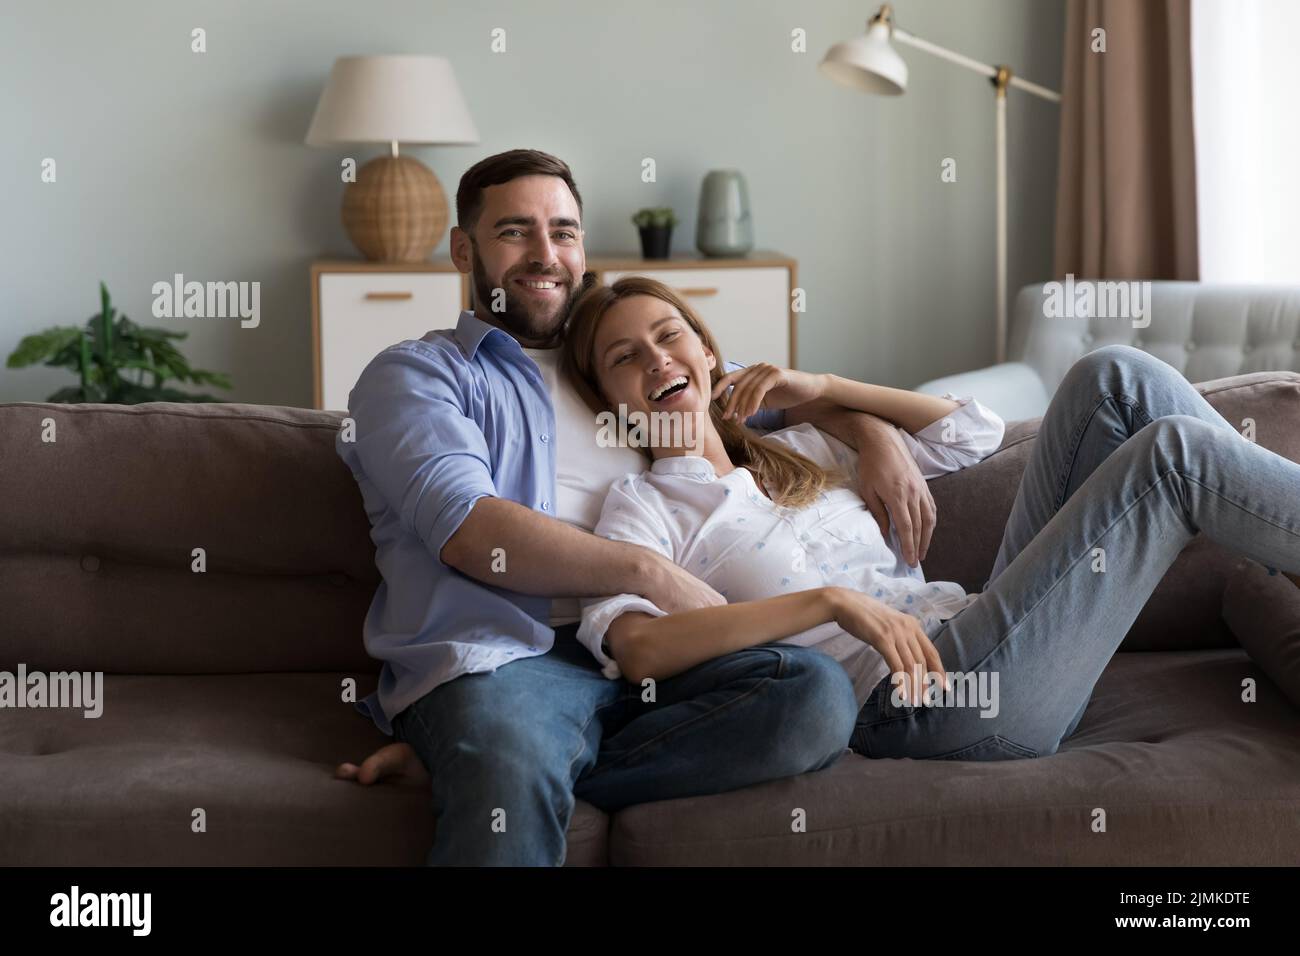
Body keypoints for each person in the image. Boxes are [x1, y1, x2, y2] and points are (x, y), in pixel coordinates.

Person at [332, 149, 945, 866]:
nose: (545, 254)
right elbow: (470, 529)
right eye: (515, 233)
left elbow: (769, 404)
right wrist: (651, 573)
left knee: (812, 693)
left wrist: (876, 438)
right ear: (464, 250)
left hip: (659, 652)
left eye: (563, 231)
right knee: (511, 755)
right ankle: (501, 761)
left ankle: (494, 764)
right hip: (510, 659)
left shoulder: (619, 354)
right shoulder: (418, 375)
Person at [554, 275, 1300, 766]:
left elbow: (973, 434)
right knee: (1175, 455)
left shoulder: (802, 446)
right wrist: (826, 604)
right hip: (922, 704)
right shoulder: (641, 509)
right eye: (625, 357)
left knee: (1112, 375)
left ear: (709, 353)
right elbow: (641, 649)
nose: (655, 360)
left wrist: (828, 391)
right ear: (607, 400)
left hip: (988, 632)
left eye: (668, 335)